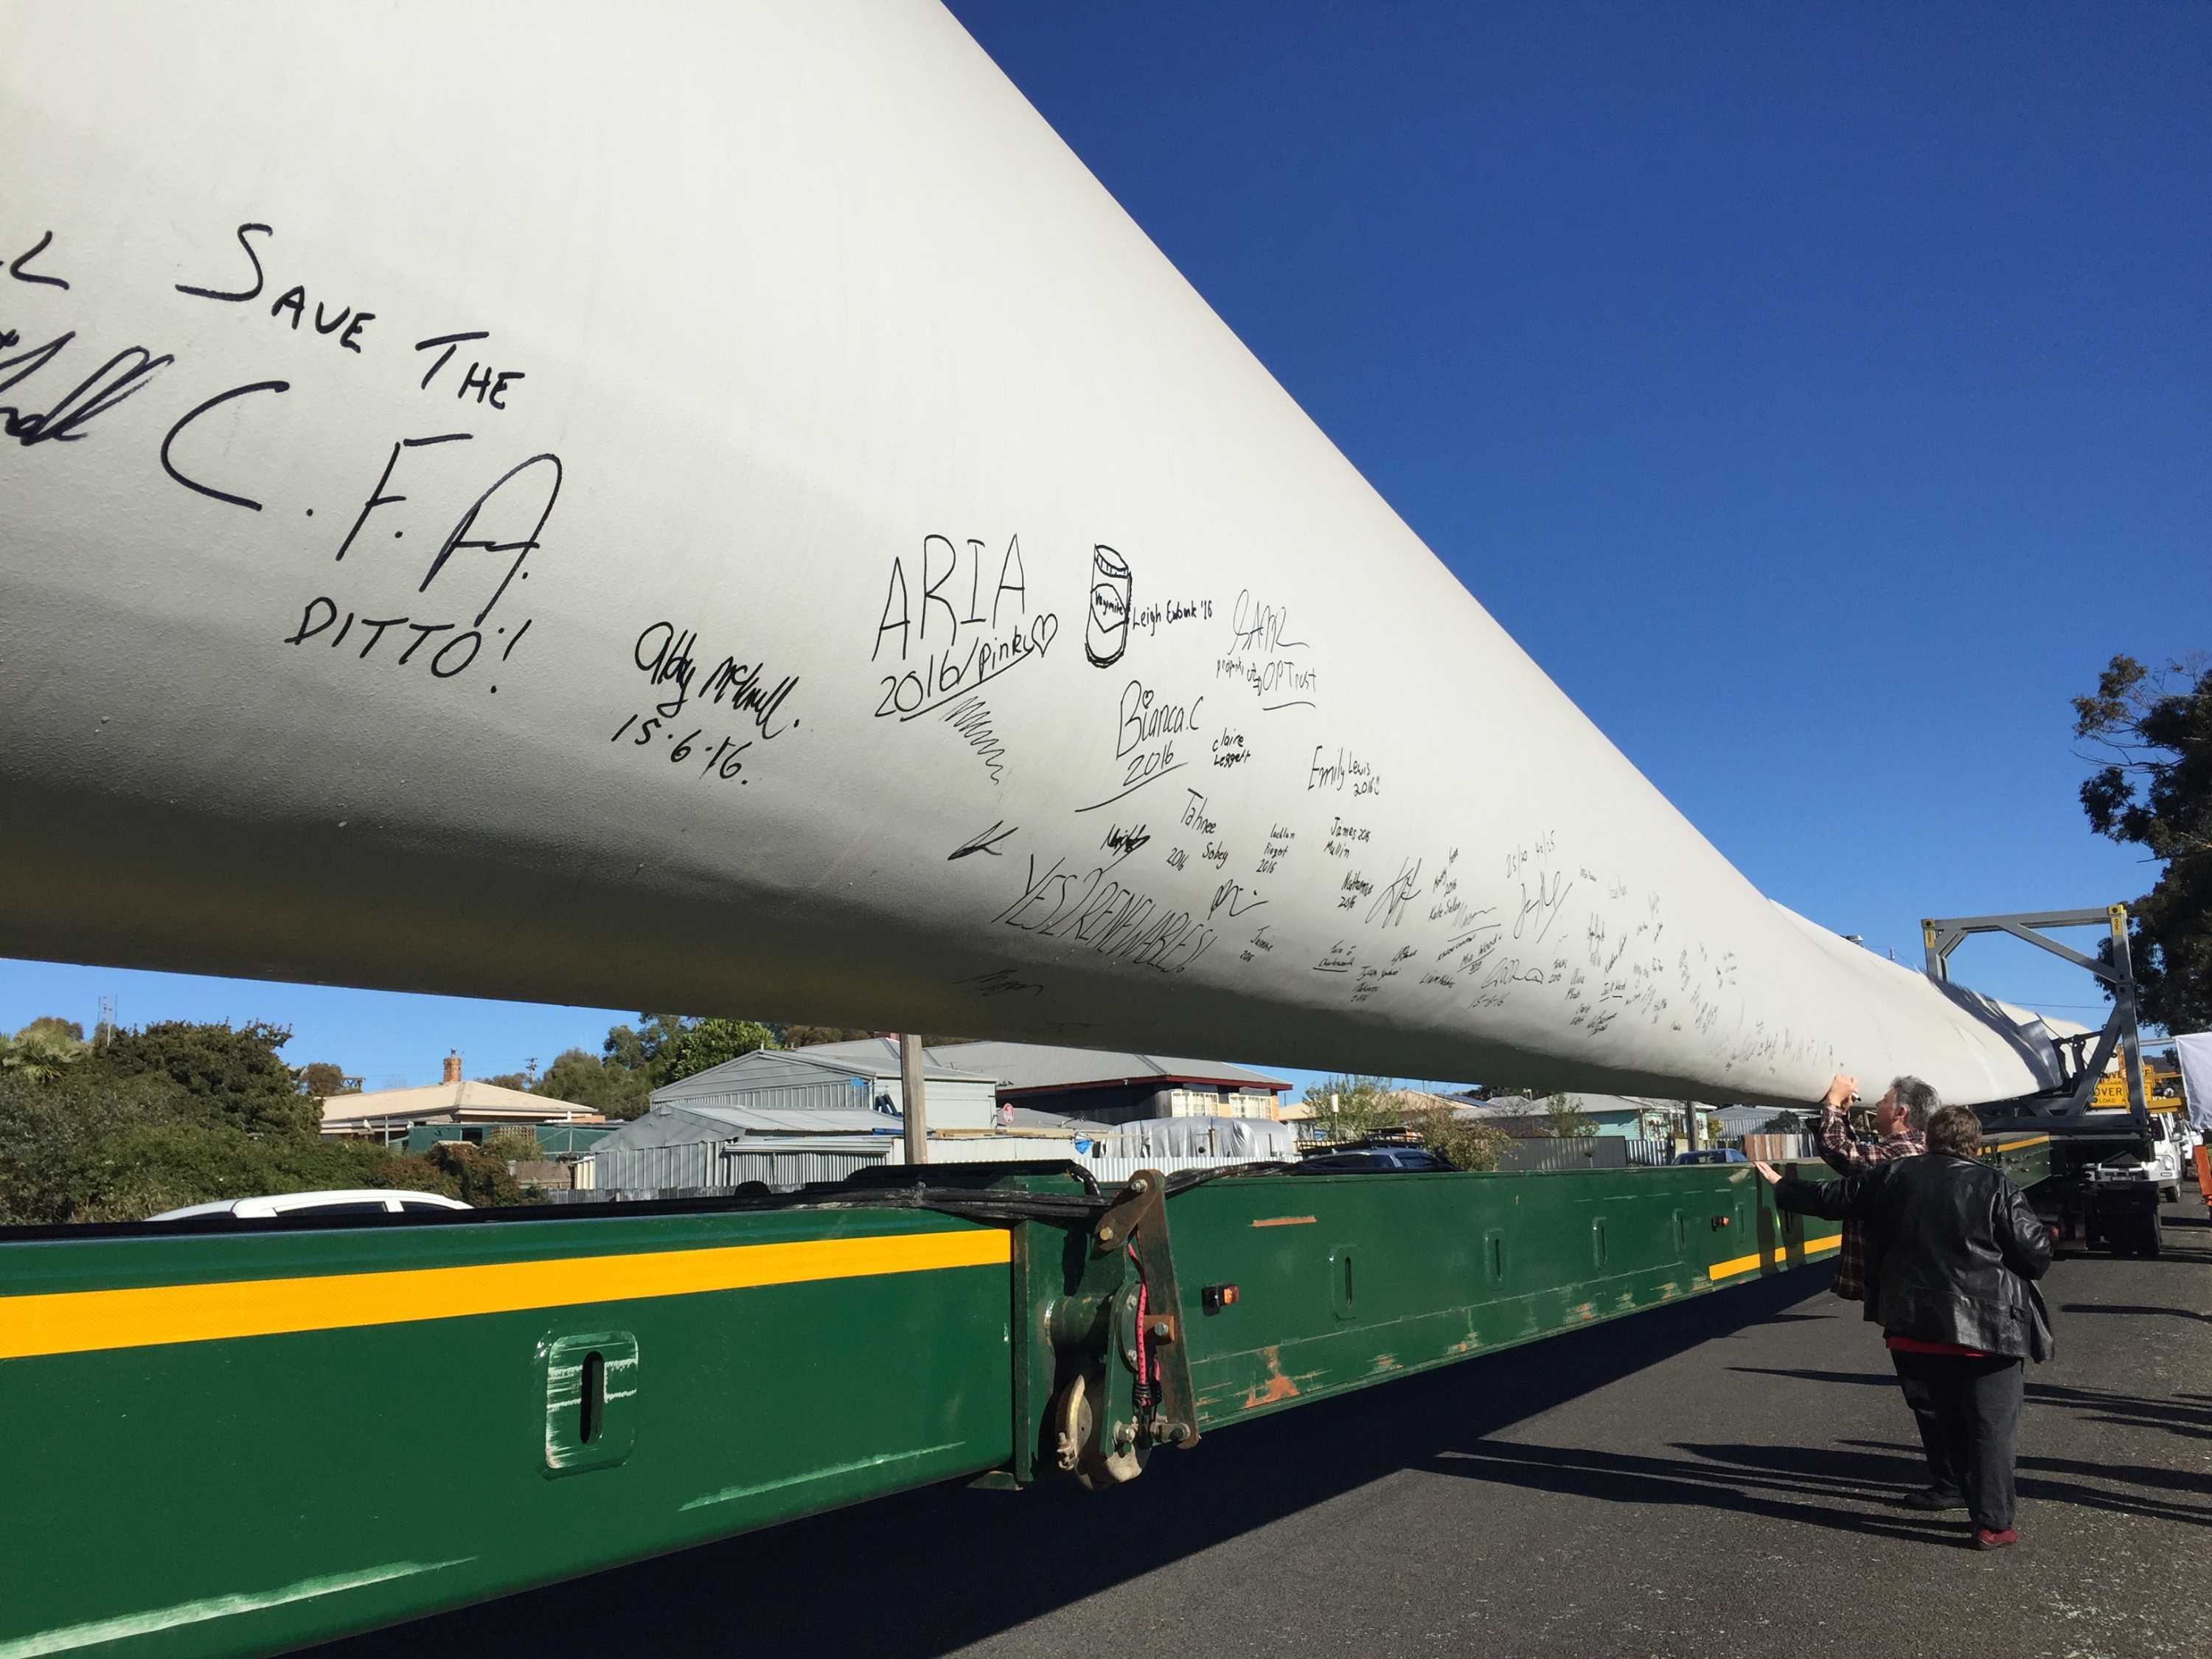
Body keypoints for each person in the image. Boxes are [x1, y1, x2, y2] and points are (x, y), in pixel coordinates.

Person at [1757, 1104, 2053, 1550]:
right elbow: (2035, 1256)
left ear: (1930, 1138)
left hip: (1913, 1326)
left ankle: (1957, 1489)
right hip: (1987, 1331)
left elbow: (1829, 1200)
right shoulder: (1995, 1184)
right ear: (1973, 1145)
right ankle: (1992, 1523)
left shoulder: (1893, 1175)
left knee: (1947, 1422)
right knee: (1991, 1428)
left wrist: (1784, 1187)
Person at [1812, 1071, 1932, 1301]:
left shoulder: (1901, 1153)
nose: (1877, 1104)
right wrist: (1842, 1115)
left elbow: (1837, 1149)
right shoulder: (1916, 1148)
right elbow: (1859, 1160)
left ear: (1900, 1113)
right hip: (1909, 1274)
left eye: (1885, 1101)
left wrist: (1834, 1102)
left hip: (1897, 1280)